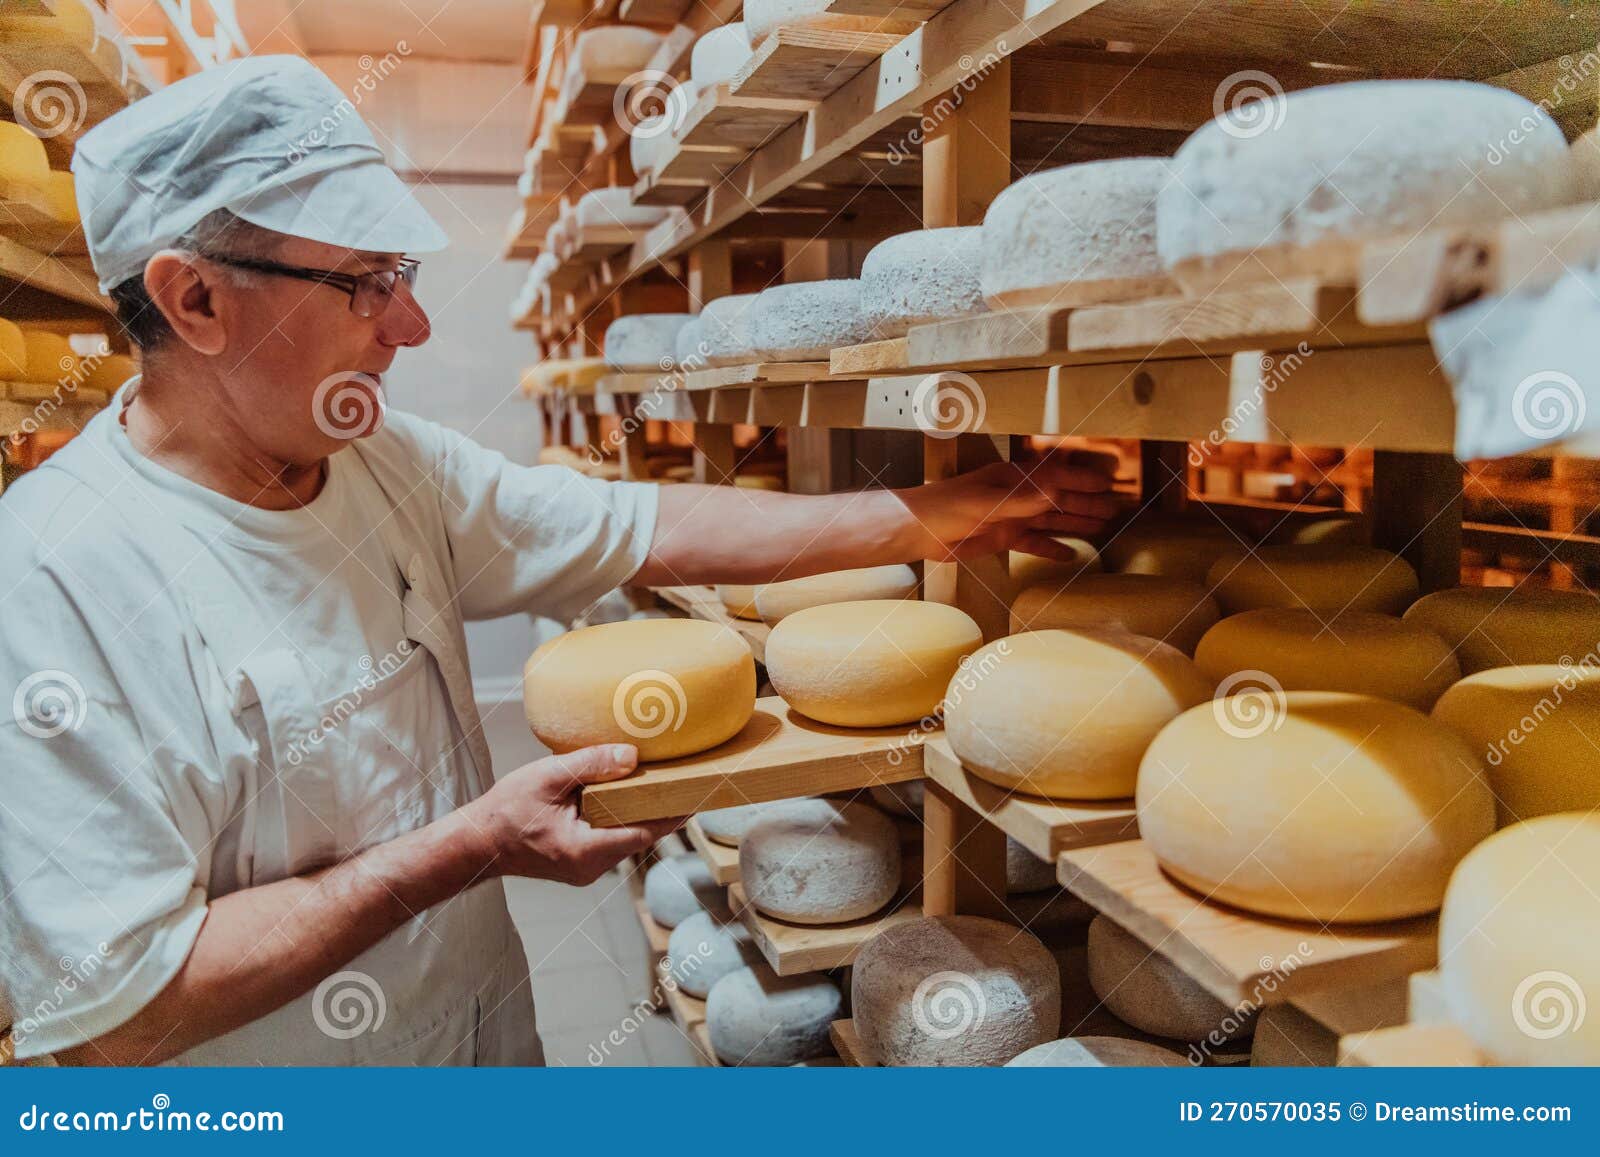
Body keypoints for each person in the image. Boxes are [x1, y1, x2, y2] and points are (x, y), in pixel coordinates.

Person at [0, 56, 1117, 1066]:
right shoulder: (55, 578)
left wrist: (945, 508)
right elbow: (128, 1004)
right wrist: (469, 844)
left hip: (482, 1040)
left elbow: (656, 526)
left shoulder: (387, 464)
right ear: (194, 297)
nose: (413, 327)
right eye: (365, 283)